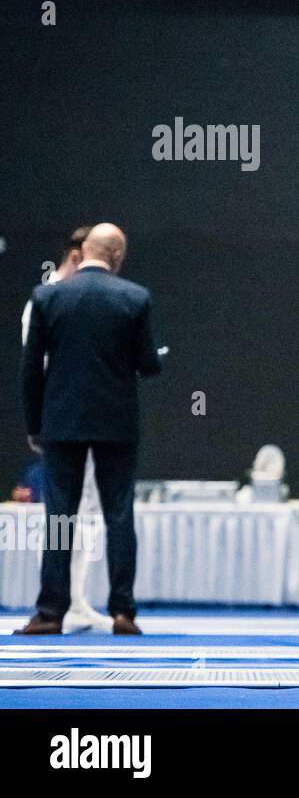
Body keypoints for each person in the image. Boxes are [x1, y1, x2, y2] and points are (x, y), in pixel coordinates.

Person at [17, 223, 163, 636]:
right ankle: (122, 611)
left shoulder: (48, 296)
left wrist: (34, 424)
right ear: (117, 256)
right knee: (119, 515)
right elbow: (147, 363)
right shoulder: (134, 298)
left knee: (60, 515)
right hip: (116, 421)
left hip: (61, 421)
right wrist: (155, 359)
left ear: (84, 251)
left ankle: (50, 612)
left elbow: (30, 369)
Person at [19, 225, 113, 633]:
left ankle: (78, 598)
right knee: (61, 515)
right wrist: (37, 423)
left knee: (90, 513)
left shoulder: (84, 300)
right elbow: (34, 371)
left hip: (92, 424)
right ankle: (57, 600)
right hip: (61, 426)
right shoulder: (43, 301)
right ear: (76, 255)